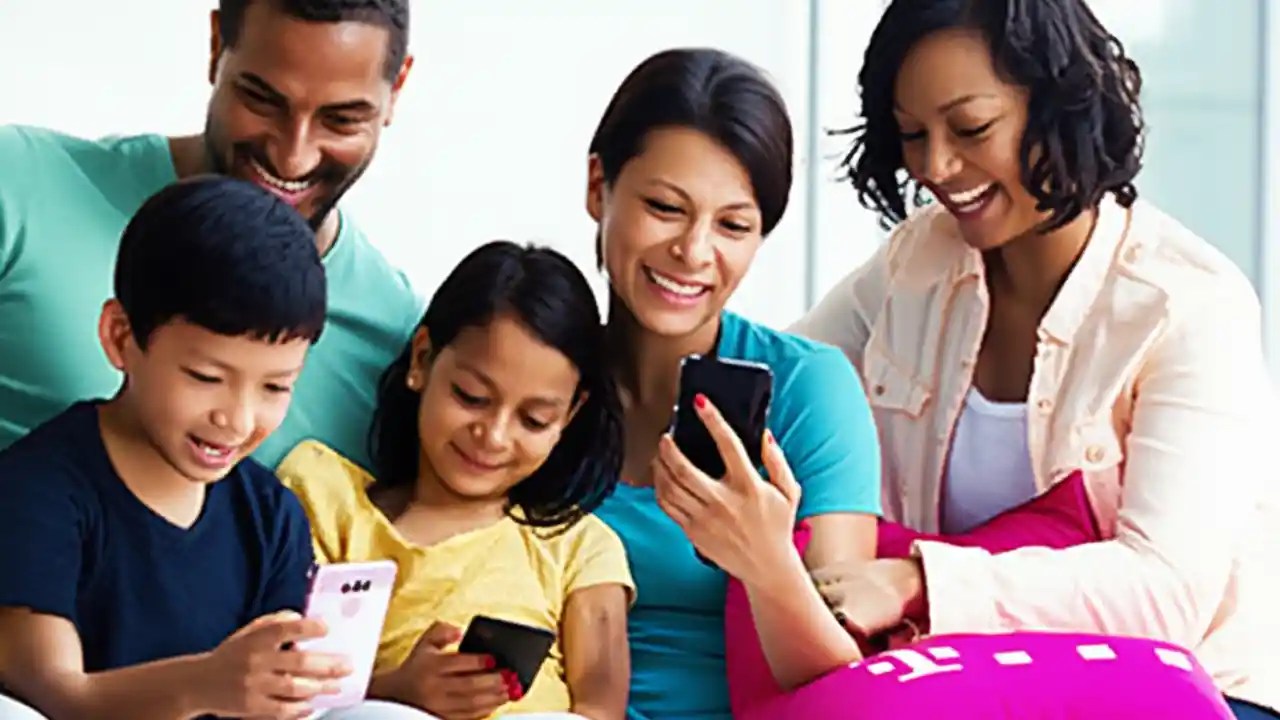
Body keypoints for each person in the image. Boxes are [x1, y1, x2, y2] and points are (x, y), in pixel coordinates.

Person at [790, 0, 1279, 717]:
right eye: (911, 135)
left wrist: (917, 582)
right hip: (970, 683)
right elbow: (790, 377)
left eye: (971, 128)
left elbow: (1165, 592)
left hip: (1196, 692)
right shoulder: (917, 262)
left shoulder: (1188, 304)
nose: (936, 166)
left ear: (1058, 102)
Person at [582, 48, 883, 719]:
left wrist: (764, 560)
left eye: (733, 226)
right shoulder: (537, 374)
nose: (693, 252)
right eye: (665, 207)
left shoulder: (808, 390)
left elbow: (849, 681)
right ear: (598, 187)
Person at [0, 0, 422, 470]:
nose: (293, 158)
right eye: (262, 100)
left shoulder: (404, 349)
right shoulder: (16, 189)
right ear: (216, 43)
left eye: (341, 120)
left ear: (397, 87)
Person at [0, 177, 351, 719]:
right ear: (121, 337)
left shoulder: (270, 515)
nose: (236, 419)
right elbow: (53, 695)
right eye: (205, 376)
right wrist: (203, 684)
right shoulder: (37, 491)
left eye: (275, 387)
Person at [278, 240, 634, 720]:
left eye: (533, 421)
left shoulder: (578, 547)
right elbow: (288, 686)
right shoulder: (326, 498)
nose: (492, 436)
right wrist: (396, 691)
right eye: (471, 397)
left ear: (570, 415)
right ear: (422, 359)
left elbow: (601, 707)